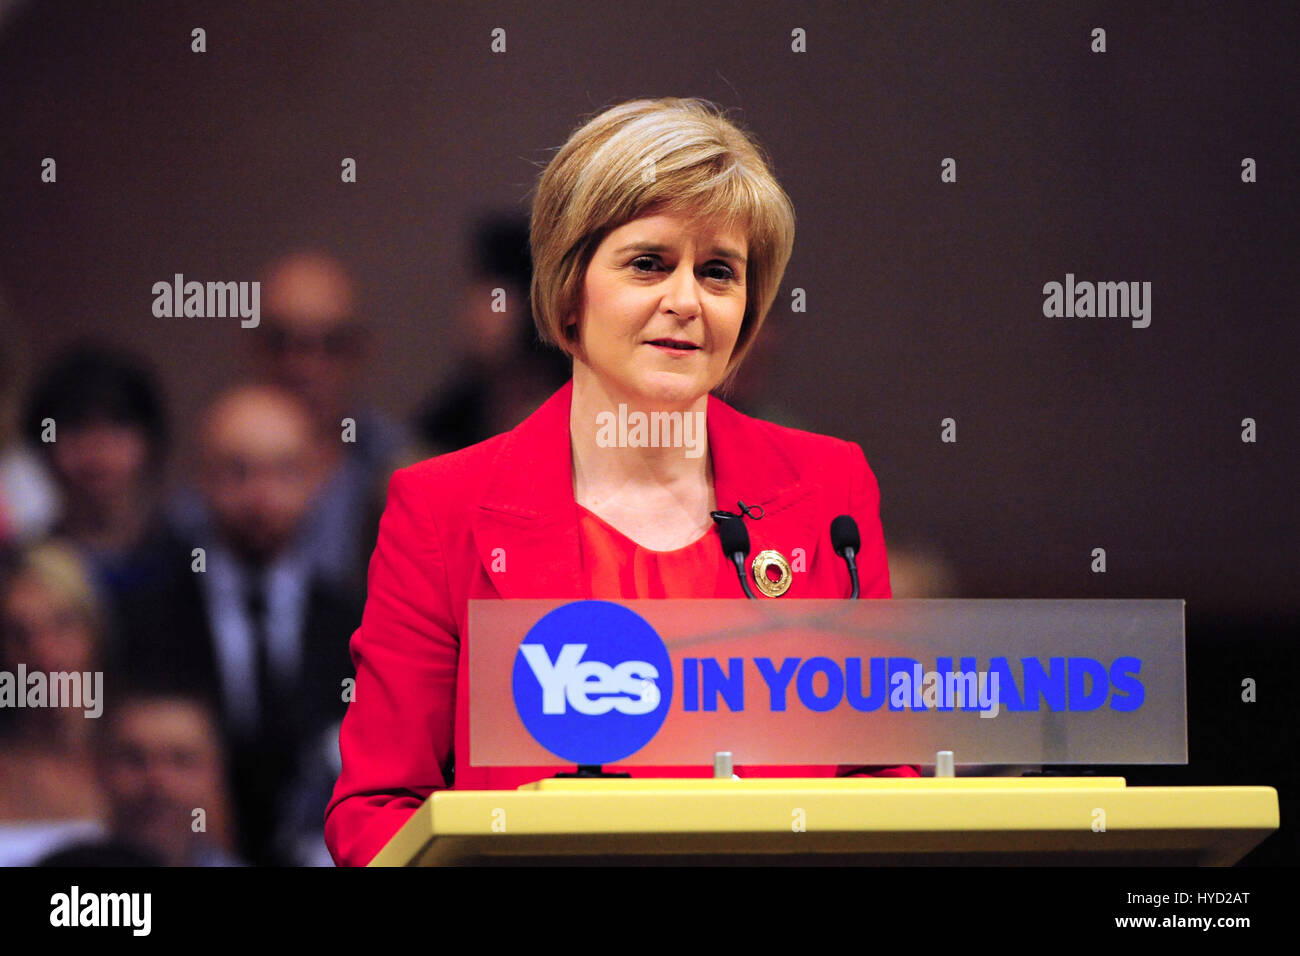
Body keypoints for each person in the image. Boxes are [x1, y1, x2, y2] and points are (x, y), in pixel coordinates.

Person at [325, 97, 914, 868]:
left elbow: (886, 774)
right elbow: (377, 811)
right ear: (571, 288)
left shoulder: (827, 489)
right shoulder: (441, 508)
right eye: (648, 263)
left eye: (718, 272)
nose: (685, 301)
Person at [117, 384, 358, 865]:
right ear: (200, 476)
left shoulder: (360, 620)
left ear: (317, 478)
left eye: (283, 471)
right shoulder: (141, 616)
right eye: (237, 471)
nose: (259, 495)